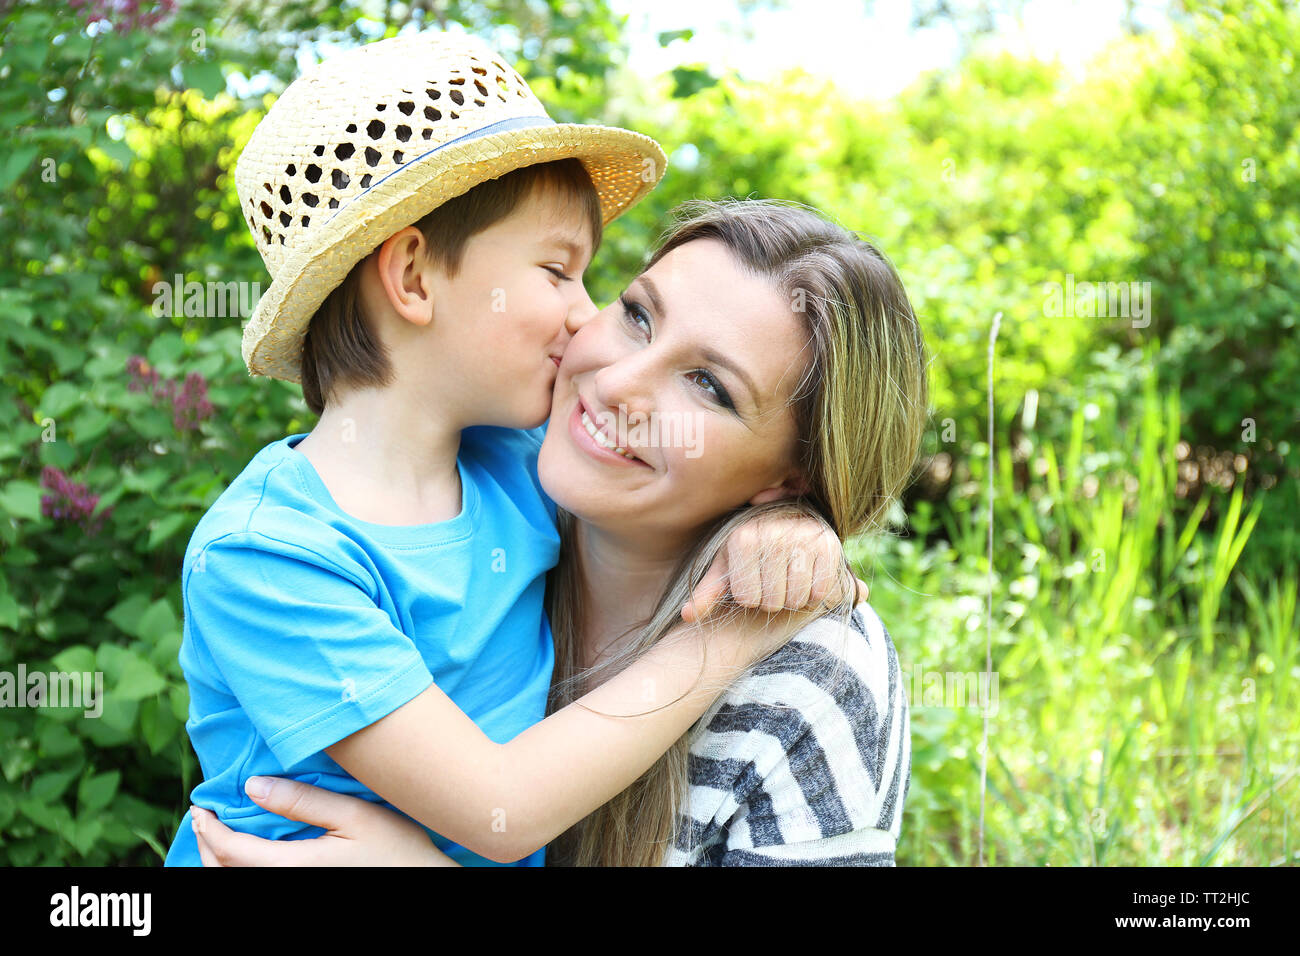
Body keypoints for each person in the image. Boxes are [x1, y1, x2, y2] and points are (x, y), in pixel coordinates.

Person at [166, 33, 851, 868]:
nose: (584, 316)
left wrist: (790, 526)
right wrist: (737, 632)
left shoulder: (514, 465)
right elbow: (502, 809)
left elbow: (698, 489)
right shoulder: (271, 554)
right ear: (414, 278)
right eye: (558, 270)